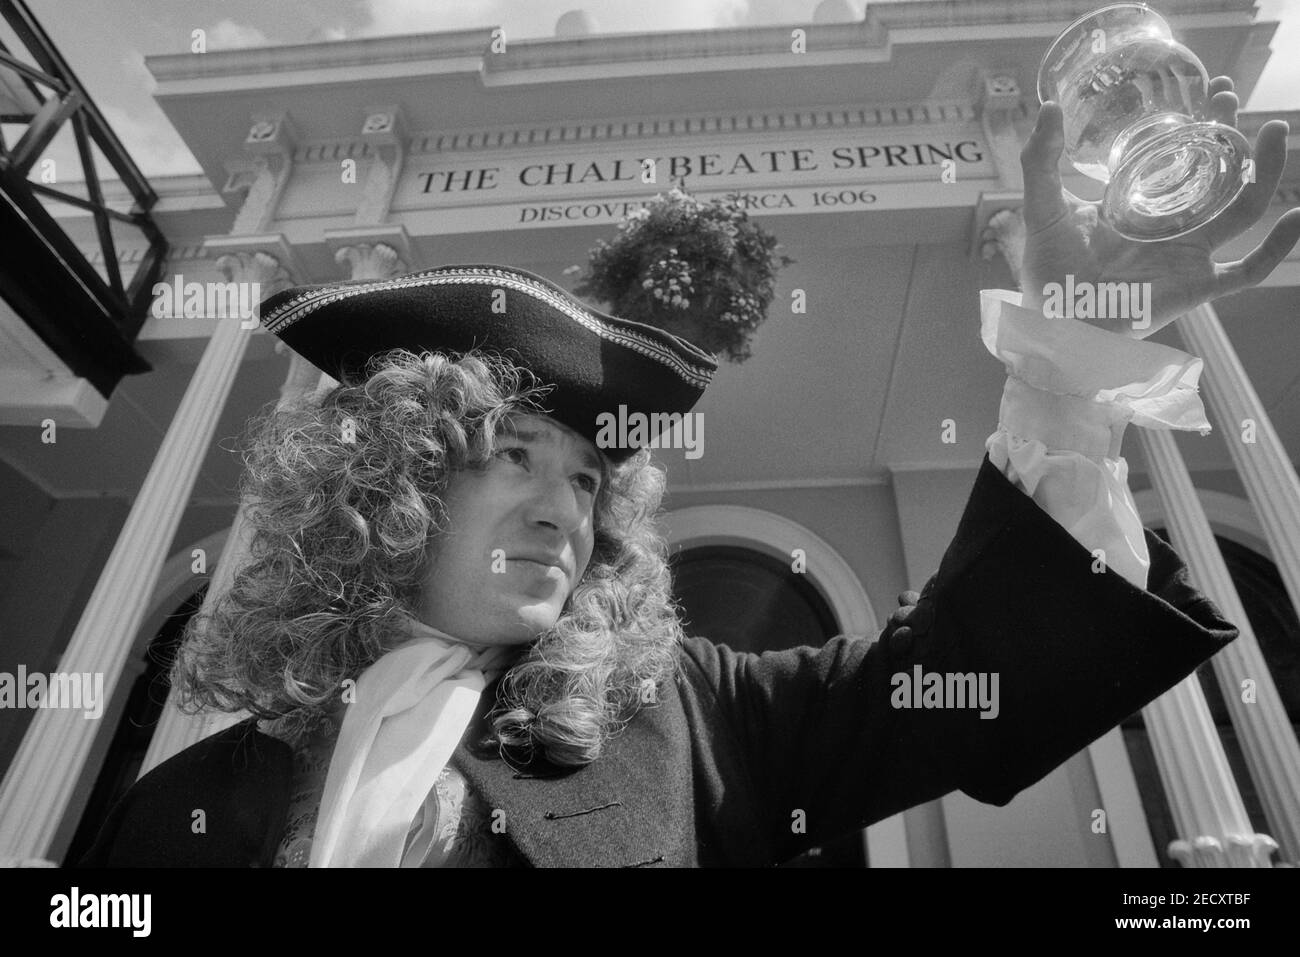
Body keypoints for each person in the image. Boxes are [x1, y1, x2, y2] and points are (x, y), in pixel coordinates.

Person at [79, 85, 1299, 867]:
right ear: (390, 491)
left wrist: (1067, 369)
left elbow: (971, 679)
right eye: (515, 455)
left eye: (589, 477)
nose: (564, 504)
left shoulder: (687, 721)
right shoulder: (176, 810)